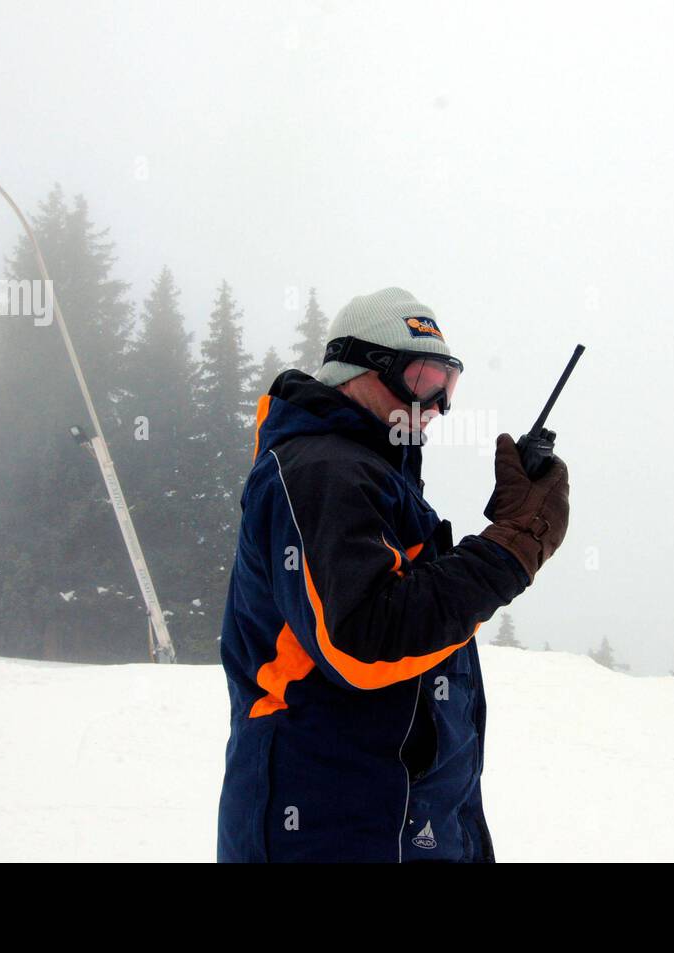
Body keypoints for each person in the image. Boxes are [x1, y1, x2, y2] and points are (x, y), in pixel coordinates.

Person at [216, 286, 570, 862]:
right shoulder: (321, 472)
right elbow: (366, 641)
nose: (435, 406)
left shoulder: (373, 476)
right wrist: (509, 547)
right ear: (358, 368)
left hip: (395, 826)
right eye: (423, 381)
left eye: (448, 387)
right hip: (327, 831)